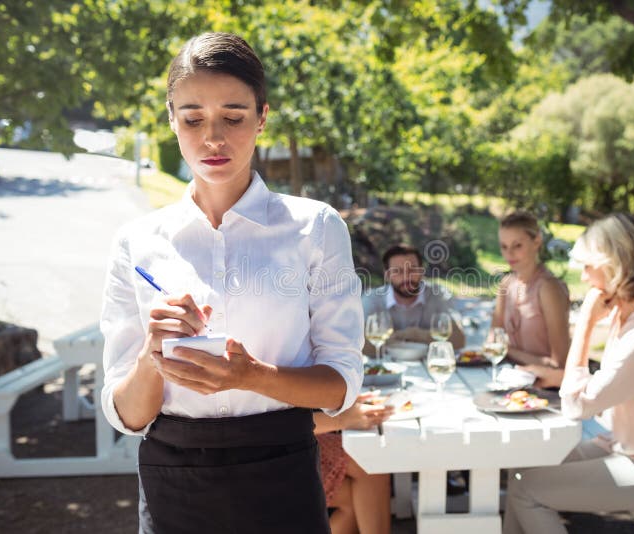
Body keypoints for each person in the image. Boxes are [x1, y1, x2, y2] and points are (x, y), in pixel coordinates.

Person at [99, 33, 363, 534]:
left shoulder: (317, 228)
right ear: (171, 120)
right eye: (193, 118)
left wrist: (252, 377)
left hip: (281, 478)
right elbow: (127, 416)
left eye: (234, 117)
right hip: (172, 485)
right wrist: (152, 356)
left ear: (262, 117)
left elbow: (341, 386)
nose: (213, 139)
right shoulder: (137, 243)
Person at [503, 213, 634, 534]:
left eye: (588, 267)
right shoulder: (630, 317)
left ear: (615, 265)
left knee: (527, 491)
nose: (584, 277)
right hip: (623, 446)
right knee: (520, 470)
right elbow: (600, 388)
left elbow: (577, 407)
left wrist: (585, 322)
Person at [490, 212, 570, 388]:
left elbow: (560, 364)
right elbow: (492, 341)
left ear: (537, 241)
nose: (509, 253)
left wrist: (508, 350)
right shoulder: (506, 285)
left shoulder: (548, 288)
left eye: (517, 245)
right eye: (503, 246)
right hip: (511, 383)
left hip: (547, 390)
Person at [314, 393, 394, 534]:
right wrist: (341, 419)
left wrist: (334, 399)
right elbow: (273, 425)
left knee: (359, 497)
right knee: (369, 462)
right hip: (270, 459)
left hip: (288, 442)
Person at [362, 243, 465, 352]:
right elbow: (356, 345)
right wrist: (395, 338)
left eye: (412, 270)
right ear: (387, 275)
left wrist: (419, 335)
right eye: (398, 271)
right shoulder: (372, 299)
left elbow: (459, 340)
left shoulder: (439, 295)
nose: (406, 277)